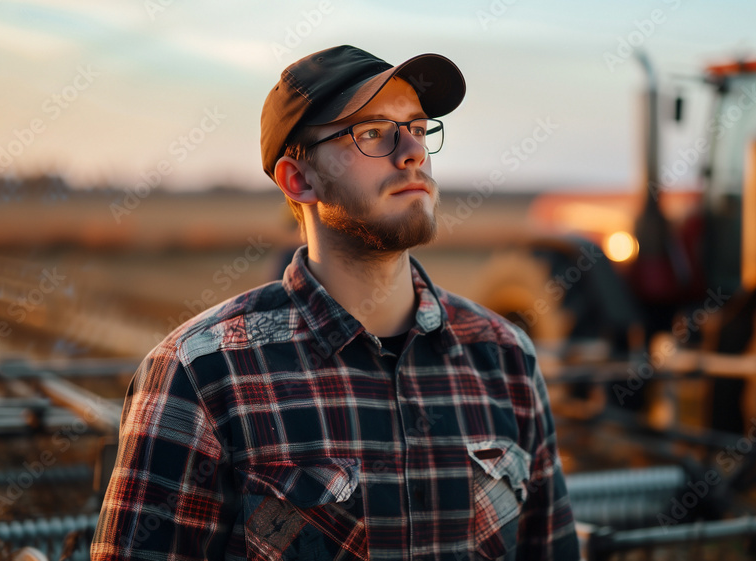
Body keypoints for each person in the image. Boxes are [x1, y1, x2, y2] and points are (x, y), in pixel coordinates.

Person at [92, 44, 578, 561]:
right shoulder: (201, 375)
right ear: (298, 179)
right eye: (371, 133)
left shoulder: (506, 359)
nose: (411, 151)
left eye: (416, 127)